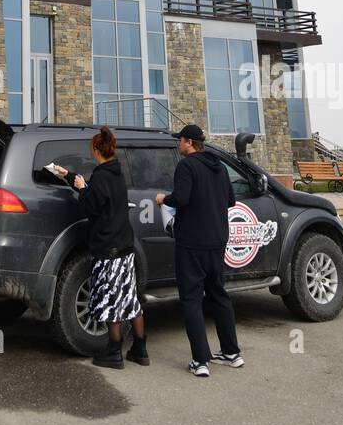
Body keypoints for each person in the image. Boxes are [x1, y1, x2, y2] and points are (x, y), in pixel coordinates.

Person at [55, 126, 148, 370]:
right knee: (129, 298)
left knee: (110, 300)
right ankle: (140, 349)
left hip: (107, 249)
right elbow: (100, 197)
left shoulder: (101, 177)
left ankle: (113, 352)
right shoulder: (115, 172)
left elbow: (91, 207)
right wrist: (71, 177)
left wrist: (83, 189)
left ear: (97, 149)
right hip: (125, 246)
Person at [156, 123, 243, 378]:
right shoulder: (218, 166)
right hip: (217, 241)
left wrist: (163, 199)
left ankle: (200, 361)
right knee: (219, 294)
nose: (178, 144)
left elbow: (181, 198)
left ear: (190, 142)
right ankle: (231, 353)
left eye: (180, 140)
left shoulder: (186, 166)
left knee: (191, 299)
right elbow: (230, 200)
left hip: (191, 243)